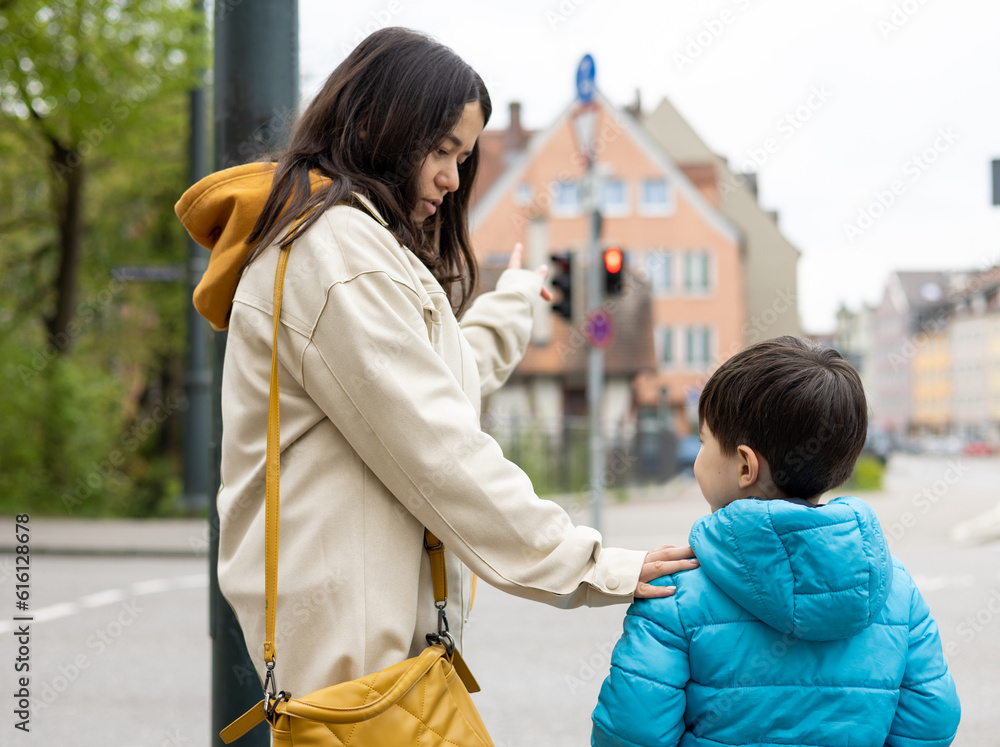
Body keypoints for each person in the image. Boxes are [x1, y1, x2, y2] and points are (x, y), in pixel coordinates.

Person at [175, 27, 697, 700]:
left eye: (465, 155)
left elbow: (433, 385)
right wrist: (596, 565)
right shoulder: (335, 255)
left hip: (382, 666)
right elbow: (439, 448)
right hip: (356, 673)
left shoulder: (356, 244)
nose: (453, 179)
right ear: (380, 125)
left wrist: (514, 304)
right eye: (443, 150)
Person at [591, 336, 961, 746]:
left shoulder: (674, 593)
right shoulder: (897, 591)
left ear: (745, 465)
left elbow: (629, 734)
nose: (698, 456)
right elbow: (930, 725)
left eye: (703, 442)